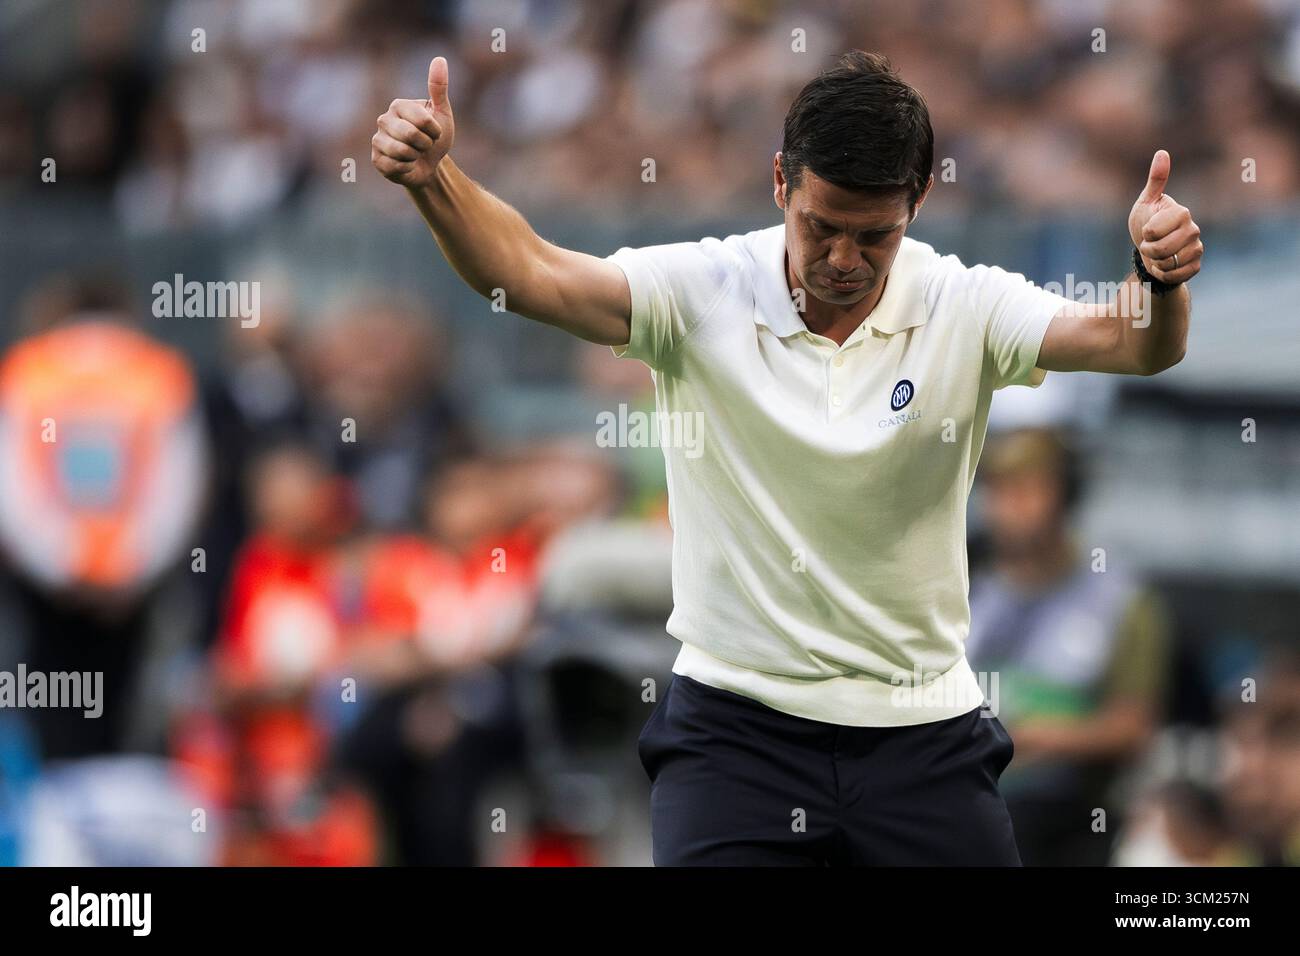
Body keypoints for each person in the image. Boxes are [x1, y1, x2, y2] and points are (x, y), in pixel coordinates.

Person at [371, 50, 1201, 865]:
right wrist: (435, 181)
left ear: (920, 199)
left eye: (874, 236)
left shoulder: (965, 303)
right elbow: (528, 272)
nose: (843, 259)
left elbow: (1131, 343)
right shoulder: (703, 291)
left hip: (924, 735)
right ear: (780, 182)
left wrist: (1158, 278)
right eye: (822, 226)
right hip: (735, 737)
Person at [965, 427, 1172, 865]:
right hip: (968, 811)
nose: (1009, 508)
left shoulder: (1120, 601)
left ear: (1066, 497)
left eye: (1027, 489)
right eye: (998, 491)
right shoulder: (963, 592)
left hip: (1068, 823)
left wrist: (1045, 739)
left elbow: (1136, 726)